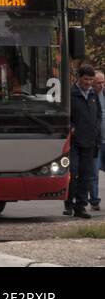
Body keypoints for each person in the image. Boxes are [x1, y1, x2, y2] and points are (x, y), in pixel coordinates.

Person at [65, 65, 101, 219]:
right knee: (73, 174)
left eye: (91, 79)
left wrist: (96, 130)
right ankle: (69, 204)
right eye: (86, 79)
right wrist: (72, 128)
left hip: (90, 141)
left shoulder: (93, 94)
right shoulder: (70, 94)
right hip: (74, 142)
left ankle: (81, 207)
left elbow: (98, 114)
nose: (88, 82)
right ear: (78, 78)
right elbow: (65, 116)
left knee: (86, 175)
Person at [95, 70, 105, 211]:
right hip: (96, 142)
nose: (102, 85)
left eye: (103, 82)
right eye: (99, 83)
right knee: (93, 172)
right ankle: (94, 201)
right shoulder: (90, 96)